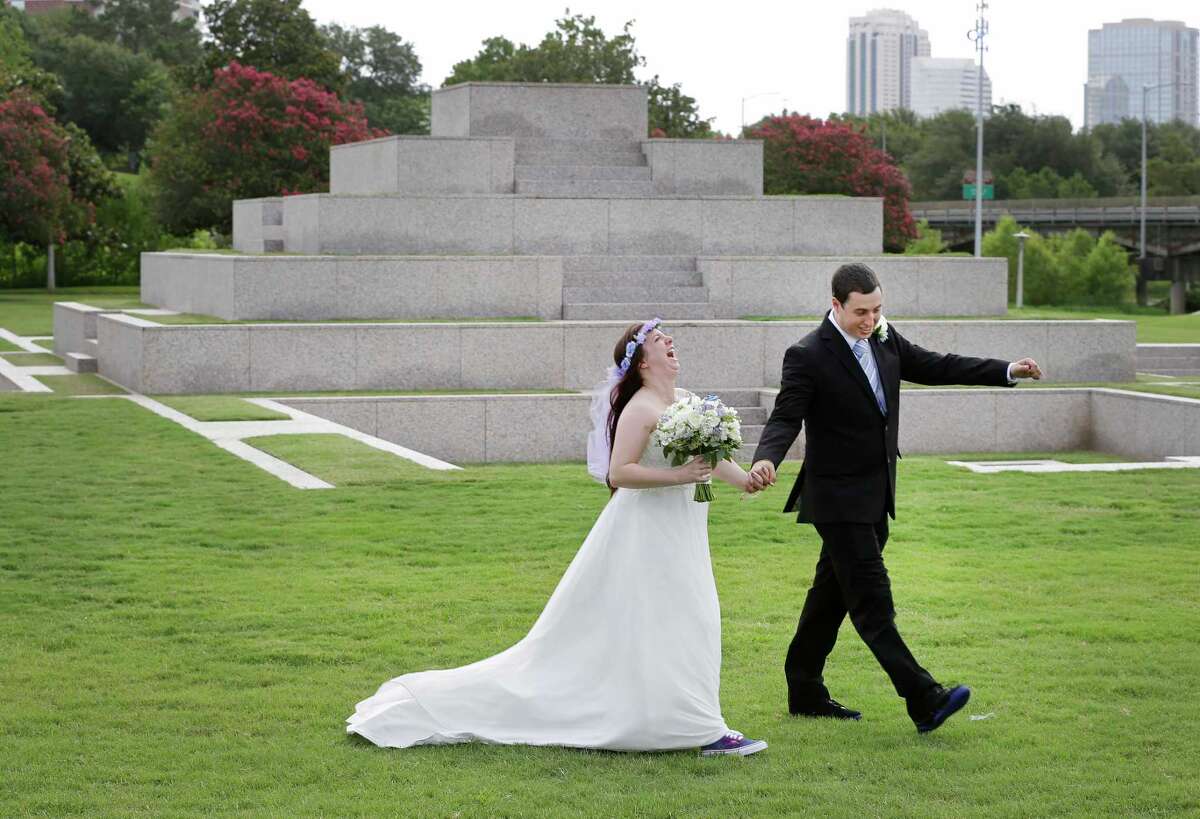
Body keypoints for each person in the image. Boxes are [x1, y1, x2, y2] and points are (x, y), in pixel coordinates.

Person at [347, 318, 767, 756]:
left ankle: (682, 717)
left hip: (684, 526)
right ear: (642, 362)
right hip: (646, 531)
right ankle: (703, 728)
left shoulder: (687, 401)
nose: (671, 342)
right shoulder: (641, 408)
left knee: (689, 618)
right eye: (661, 340)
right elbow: (619, 473)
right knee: (673, 617)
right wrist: (678, 476)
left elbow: (708, 457)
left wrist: (745, 480)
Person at [747, 263, 1043, 733]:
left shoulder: (885, 338)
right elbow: (786, 416)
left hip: (876, 492)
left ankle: (804, 691)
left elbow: (938, 365)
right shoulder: (807, 354)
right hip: (836, 498)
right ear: (836, 305)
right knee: (872, 601)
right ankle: (925, 699)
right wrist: (767, 459)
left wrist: (1006, 370)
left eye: (877, 310)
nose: (871, 320)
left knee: (830, 598)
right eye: (861, 312)